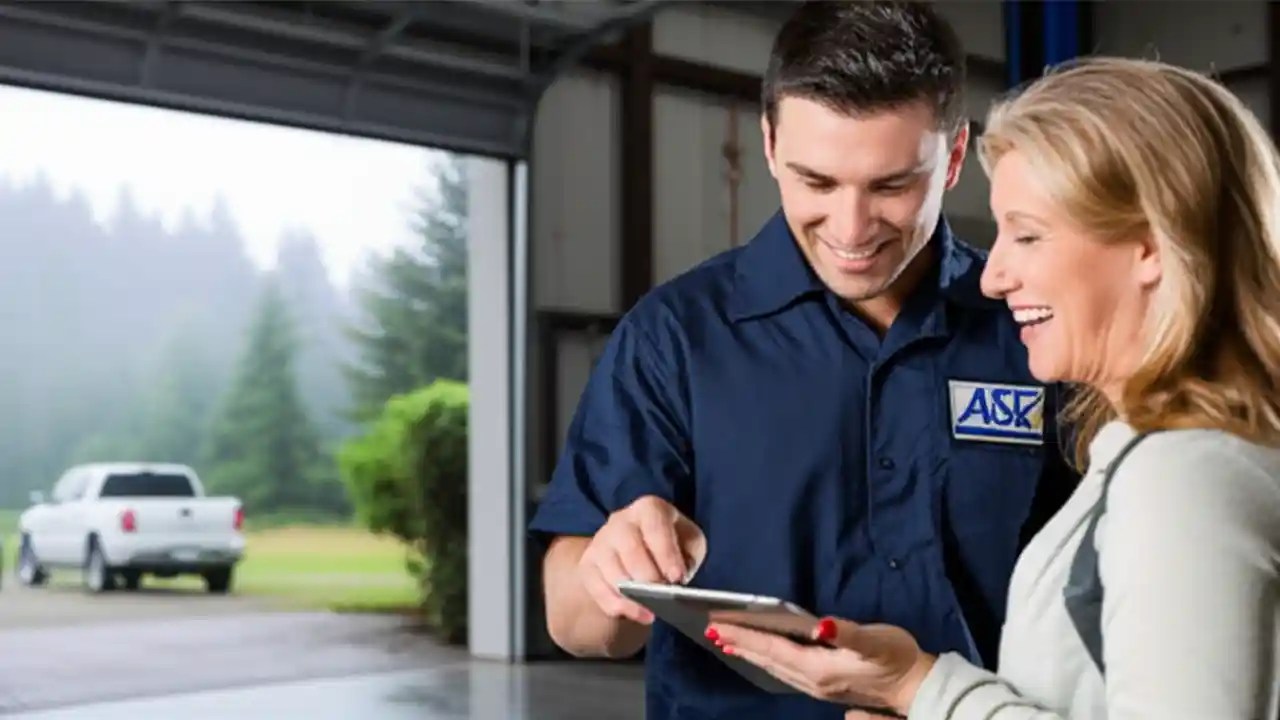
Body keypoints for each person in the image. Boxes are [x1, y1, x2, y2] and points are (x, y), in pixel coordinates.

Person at [529, 2, 1077, 718]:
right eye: (816, 182)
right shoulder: (675, 338)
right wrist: (608, 572)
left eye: (890, 186)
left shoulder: (1033, 326)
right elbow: (576, 627)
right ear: (768, 143)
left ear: (952, 157)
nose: (851, 229)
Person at [705, 56, 1280, 720]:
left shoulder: (1182, 477)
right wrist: (917, 684)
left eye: (1029, 235)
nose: (992, 276)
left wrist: (927, 694)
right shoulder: (1165, 459)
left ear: (1151, 244)